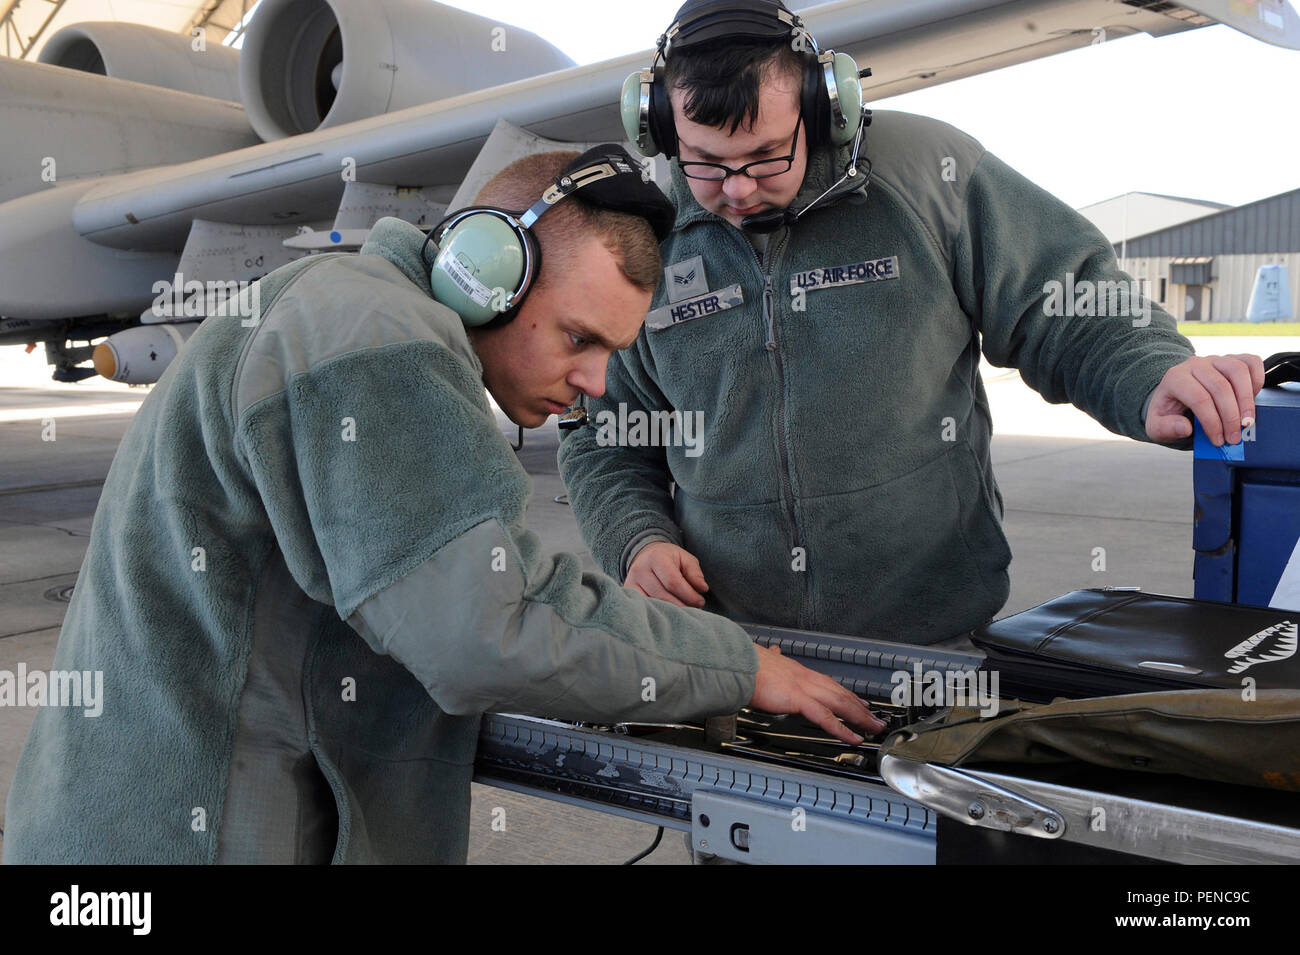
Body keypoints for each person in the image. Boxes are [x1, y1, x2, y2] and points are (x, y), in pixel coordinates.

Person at [3, 145, 881, 865]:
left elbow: (452, 569)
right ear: (485, 275)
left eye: (613, 351)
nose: (595, 382)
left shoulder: (339, 308)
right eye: (580, 337)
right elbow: (484, 628)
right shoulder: (377, 342)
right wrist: (737, 664)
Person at [557, 0, 1266, 647]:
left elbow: (1067, 306)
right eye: (706, 165)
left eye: (766, 156)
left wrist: (1150, 374)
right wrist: (636, 539)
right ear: (658, 127)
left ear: (820, 105)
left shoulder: (930, 177)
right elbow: (604, 432)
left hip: (929, 641)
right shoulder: (644, 232)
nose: (737, 190)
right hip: (730, 652)